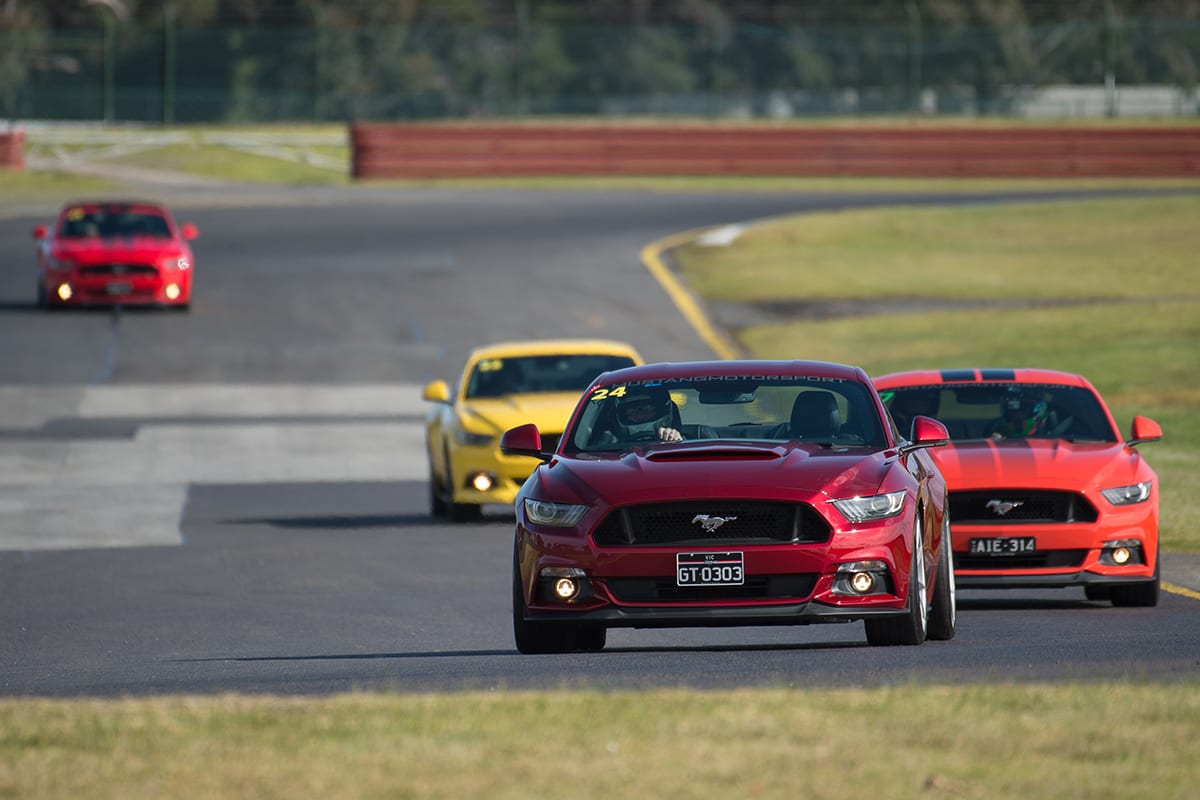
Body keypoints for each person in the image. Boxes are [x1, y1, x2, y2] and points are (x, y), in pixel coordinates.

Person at [607, 387, 683, 443]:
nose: (639, 416)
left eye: (645, 410)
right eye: (631, 412)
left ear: (661, 410)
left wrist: (676, 443)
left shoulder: (685, 442)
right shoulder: (610, 448)